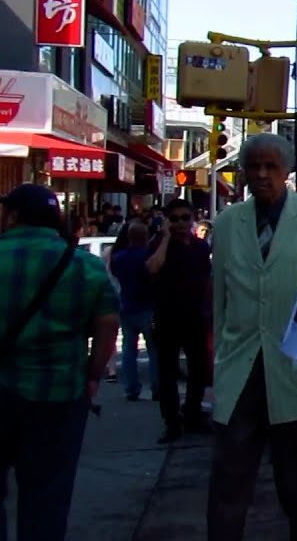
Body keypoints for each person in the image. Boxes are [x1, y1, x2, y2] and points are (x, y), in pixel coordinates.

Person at [207, 133, 297, 541]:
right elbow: (219, 298)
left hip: (295, 369)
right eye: (254, 167)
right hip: (240, 368)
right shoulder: (228, 223)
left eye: (271, 166)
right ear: (243, 172)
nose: (262, 174)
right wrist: (219, 360)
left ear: (287, 171)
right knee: (228, 482)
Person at [0, 184, 119, 541]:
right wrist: (93, 375)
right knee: (46, 497)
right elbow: (108, 325)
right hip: (59, 394)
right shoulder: (84, 265)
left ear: (13, 216)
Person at [147, 198, 213, 443]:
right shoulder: (159, 245)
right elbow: (152, 268)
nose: (180, 223)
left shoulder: (200, 247)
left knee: (199, 369)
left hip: (195, 316)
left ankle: (193, 414)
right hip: (167, 317)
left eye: (185, 217)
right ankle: (172, 421)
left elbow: (207, 280)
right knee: (168, 372)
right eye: (174, 219)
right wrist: (165, 237)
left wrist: (211, 310)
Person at [110, 221, 159, 402]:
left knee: (129, 349)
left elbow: (116, 275)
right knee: (154, 349)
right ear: (145, 237)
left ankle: (131, 388)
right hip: (146, 305)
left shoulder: (119, 257)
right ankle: (156, 387)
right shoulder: (147, 256)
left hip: (126, 305)